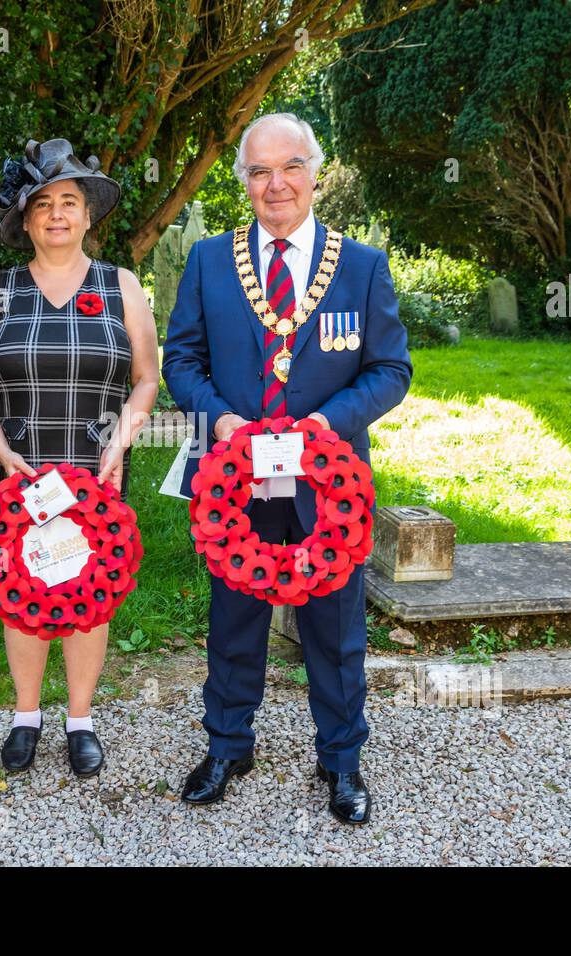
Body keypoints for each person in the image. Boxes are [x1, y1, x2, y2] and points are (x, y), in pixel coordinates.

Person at [161, 113, 412, 824]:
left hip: (328, 483)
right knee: (234, 612)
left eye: (290, 166)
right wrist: (224, 420)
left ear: (315, 172)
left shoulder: (360, 266)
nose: (276, 184)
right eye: (259, 171)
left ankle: (341, 760)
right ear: (244, 182)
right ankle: (227, 745)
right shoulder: (212, 260)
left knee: (333, 624)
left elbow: (391, 369)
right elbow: (183, 360)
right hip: (236, 476)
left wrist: (328, 424)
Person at [0, 138, 158, 777]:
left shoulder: (122, 285)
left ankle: (80, 719)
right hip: (18, 476)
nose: (57, 214)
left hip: (94, 476)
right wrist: (1, 450)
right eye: (42, 203)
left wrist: (122, 440)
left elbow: (147, 379)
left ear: (88, 214)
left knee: (87, 595)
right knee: (20, 589)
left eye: (69, 201)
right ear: (25, 219)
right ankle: (24, 716)